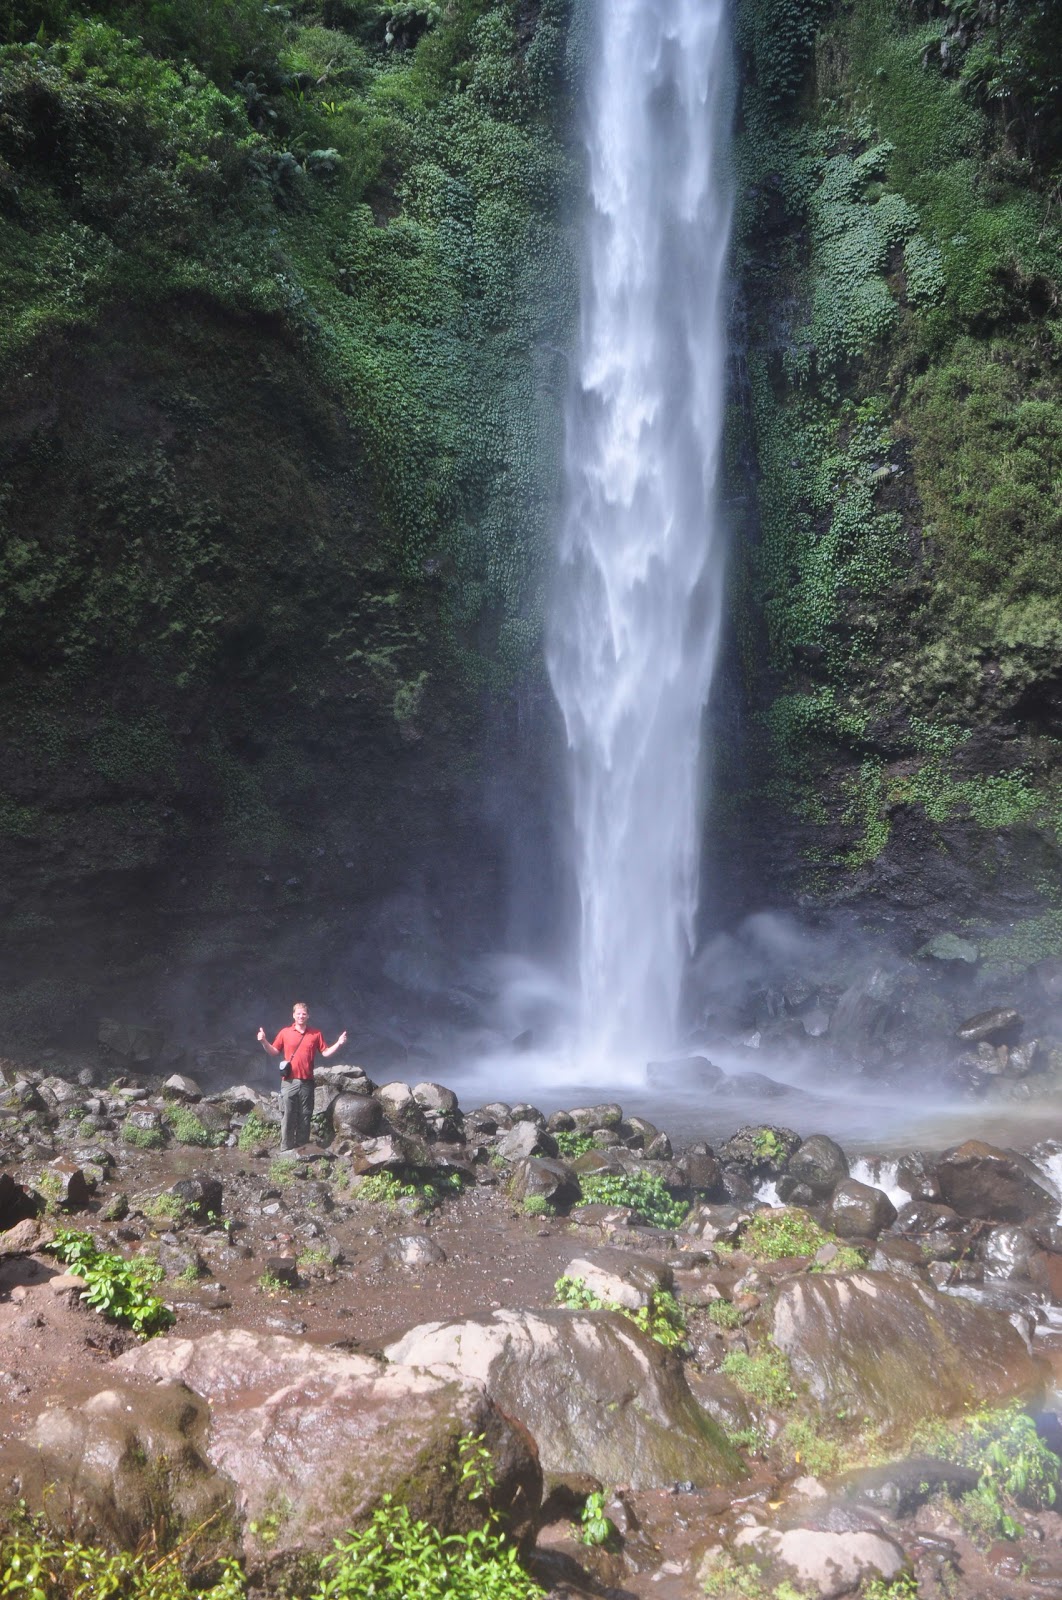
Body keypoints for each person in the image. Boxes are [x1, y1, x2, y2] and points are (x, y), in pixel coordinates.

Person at [256, 1002, 348, 1153]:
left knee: (306, 1115)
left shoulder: (315, 1034)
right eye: (298, 1013)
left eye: (304, 1014)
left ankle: (302, 1147)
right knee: (288, 1114)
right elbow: (273, 1051)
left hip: (307, 1081)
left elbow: (325, 1053)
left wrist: (338, 1043)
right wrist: (263, 1041)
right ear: (293, 1015)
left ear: (308, 1016)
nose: (301, 1016)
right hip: (289, 1081)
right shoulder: (285, 1032)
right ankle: (286, 1148)